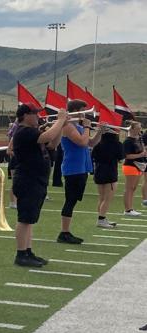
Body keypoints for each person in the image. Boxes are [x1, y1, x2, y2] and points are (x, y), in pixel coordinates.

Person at [11, 103, 67, 267]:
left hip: (36, 180)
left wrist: (61, 126)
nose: (38, 116)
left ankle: (28, 251)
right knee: (24, 219)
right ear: (26, 115)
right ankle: (21, 254)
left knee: (30, 220)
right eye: (35, 113)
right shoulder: (23, 131)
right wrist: (60, 120)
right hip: (27, 180)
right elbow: (47, 137)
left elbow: (53, 143)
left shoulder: (32, 132)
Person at [57, 100, 103, 243]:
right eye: (84, 110)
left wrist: (100, 131)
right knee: (70, 201)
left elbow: (90, 143)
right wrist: (88, 127)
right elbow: (82, 142)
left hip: (81, 167)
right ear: (76, 110)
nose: (86, 113)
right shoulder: (68, 126)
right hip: (73, 168)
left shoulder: (78, 126)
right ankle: (64, 233)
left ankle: (66, 232)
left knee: (73, 200)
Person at [91, 129, 124, 228]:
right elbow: (121, 159)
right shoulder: (117, 144)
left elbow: (93, 156)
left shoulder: (98, 143)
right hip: (110, 172)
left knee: (101, 198)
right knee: (107, 198)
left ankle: (102, 218)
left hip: (98, 171)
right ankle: (101, 220)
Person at [122, 122, 145, 216]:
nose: (140, 129)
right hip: (130, 165)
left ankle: (131, 208)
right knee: (129, 188)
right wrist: (140, 155)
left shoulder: (138, 139)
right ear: (131, 129)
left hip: (139, 165)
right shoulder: (128, 141)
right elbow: (127, 156)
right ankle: (127, 210)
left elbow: (141, 150)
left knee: (133, 188)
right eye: (138, 128)